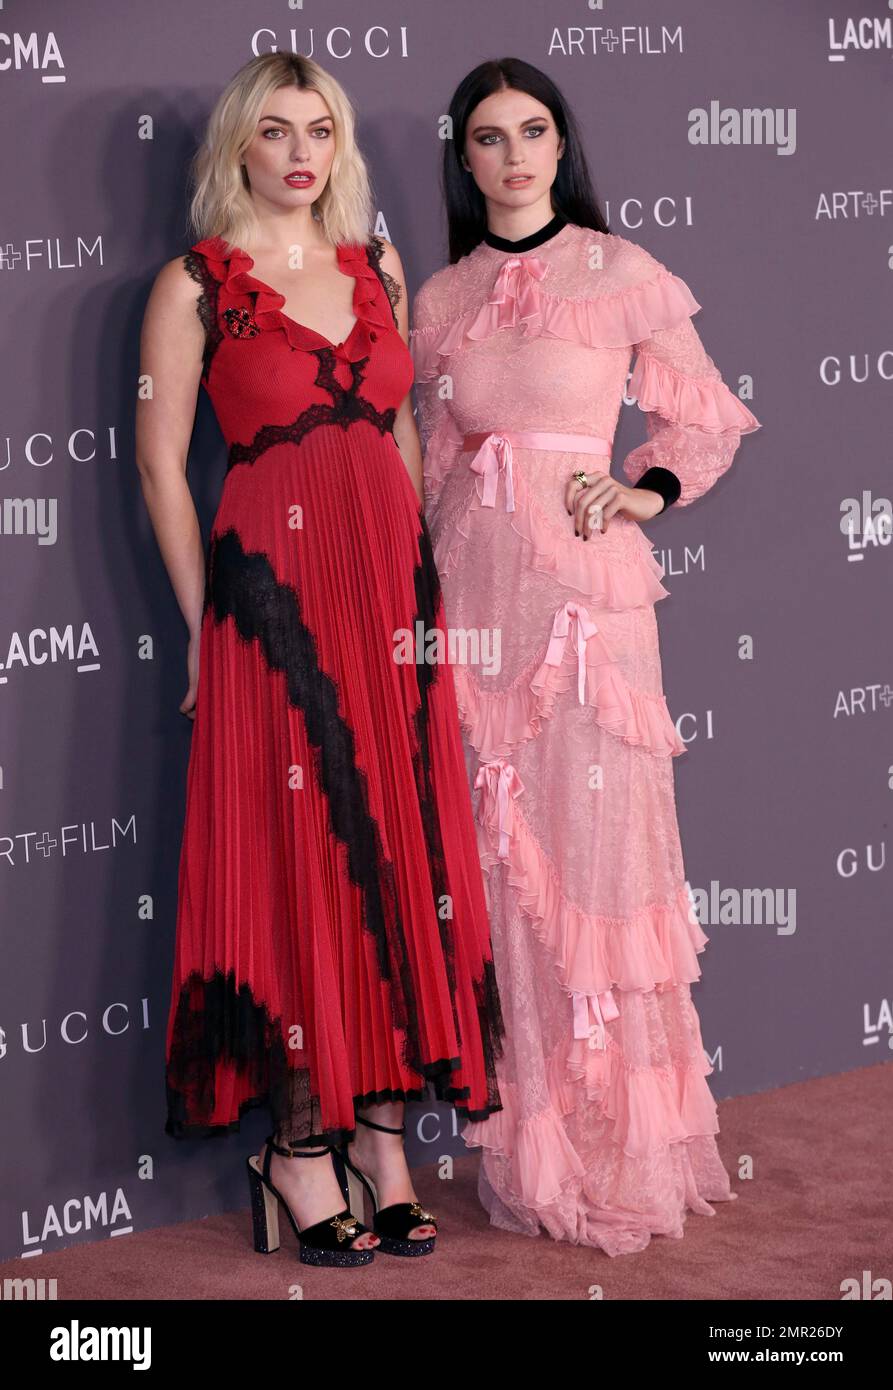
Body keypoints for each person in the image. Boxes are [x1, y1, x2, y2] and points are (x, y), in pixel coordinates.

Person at [135, 51, 504, 1268]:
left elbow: (396, 428)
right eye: (278, 130)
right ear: (237, 145)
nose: (303, 152)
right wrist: (204, 628)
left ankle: (384, 1144)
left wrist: (419, 600)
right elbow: (161, 466)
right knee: (302, 860)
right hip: (271, 603)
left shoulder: (375, 267)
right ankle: (295, 1149)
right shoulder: (194, 286)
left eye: (323, 131)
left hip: (386, 593)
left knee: (402, 851)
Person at [410, 57, 760, 1256]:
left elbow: (701, 415)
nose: (514, 155)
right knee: (499, 865)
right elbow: (427, 462)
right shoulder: (440, 299)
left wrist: (641, 489)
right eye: (490, 138)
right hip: (472, 602)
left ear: (562, 148)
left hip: (585, 605)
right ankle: (531, 1134)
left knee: (597, 862)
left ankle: (619, 1144)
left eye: (535, 132)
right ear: (463, 158)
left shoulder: (621, 274)